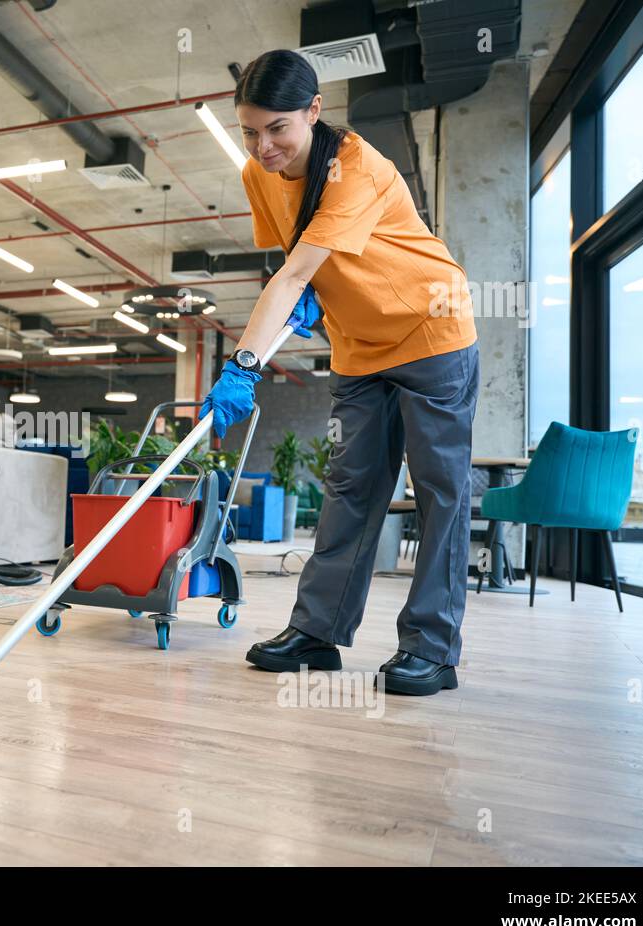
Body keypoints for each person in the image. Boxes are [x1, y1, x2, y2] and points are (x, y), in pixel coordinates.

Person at [200, 49, 479, 696]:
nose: (263, 146)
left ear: (314, 111)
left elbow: (294, 271)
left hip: (429, 328)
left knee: (441, 492)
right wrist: (307, 303)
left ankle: (432, 650)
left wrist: (243, 362)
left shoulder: (355, 168)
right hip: (358, 344)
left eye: (278, 129)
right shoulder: (256, 174)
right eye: (249, 130)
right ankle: (316, 633)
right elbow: (296, 264)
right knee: (351, 486)